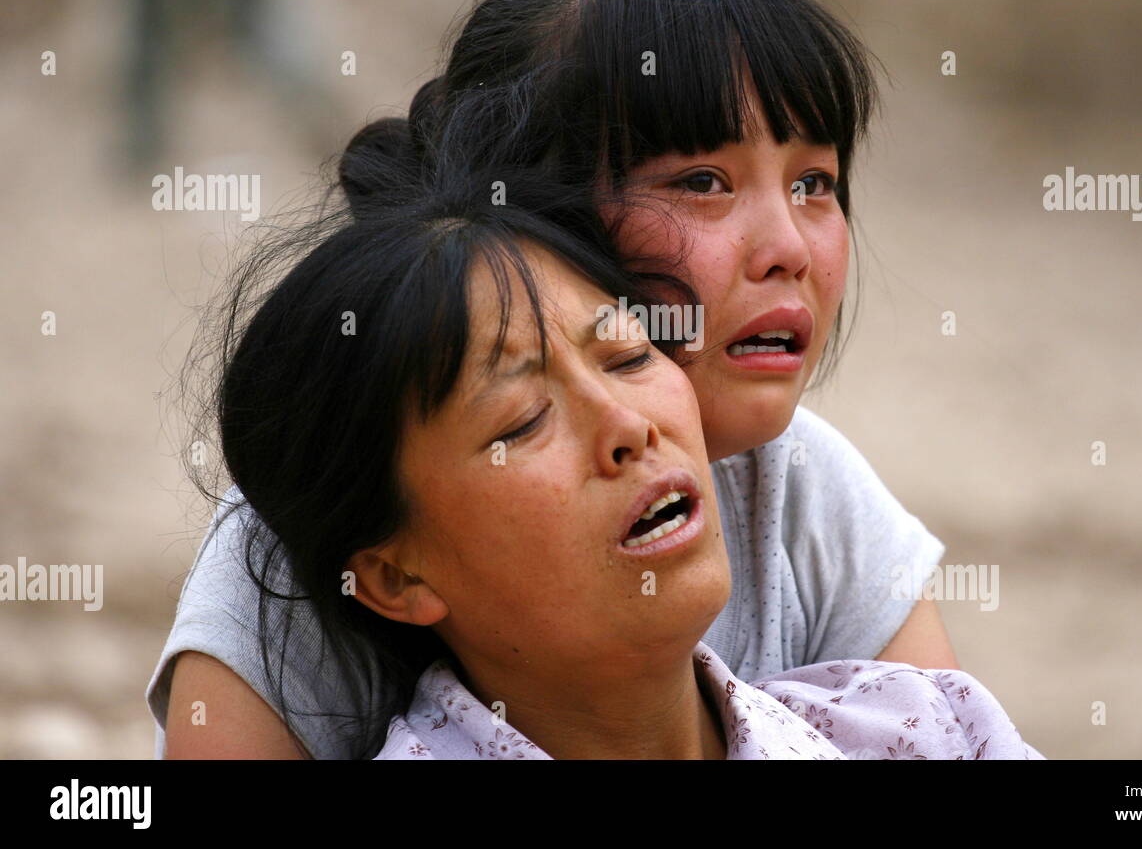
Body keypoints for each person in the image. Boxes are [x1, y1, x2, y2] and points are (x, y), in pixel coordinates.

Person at [150, 0, 962, 759]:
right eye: (702, 182)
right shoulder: (319, 529)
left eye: (816, 183)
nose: (790, 248)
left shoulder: (806, 490)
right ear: (536, 213)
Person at [195, 164, 1043, 759]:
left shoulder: (919, 727)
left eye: (630, 357)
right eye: (522, 421)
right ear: (392, 577)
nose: (627, 425)